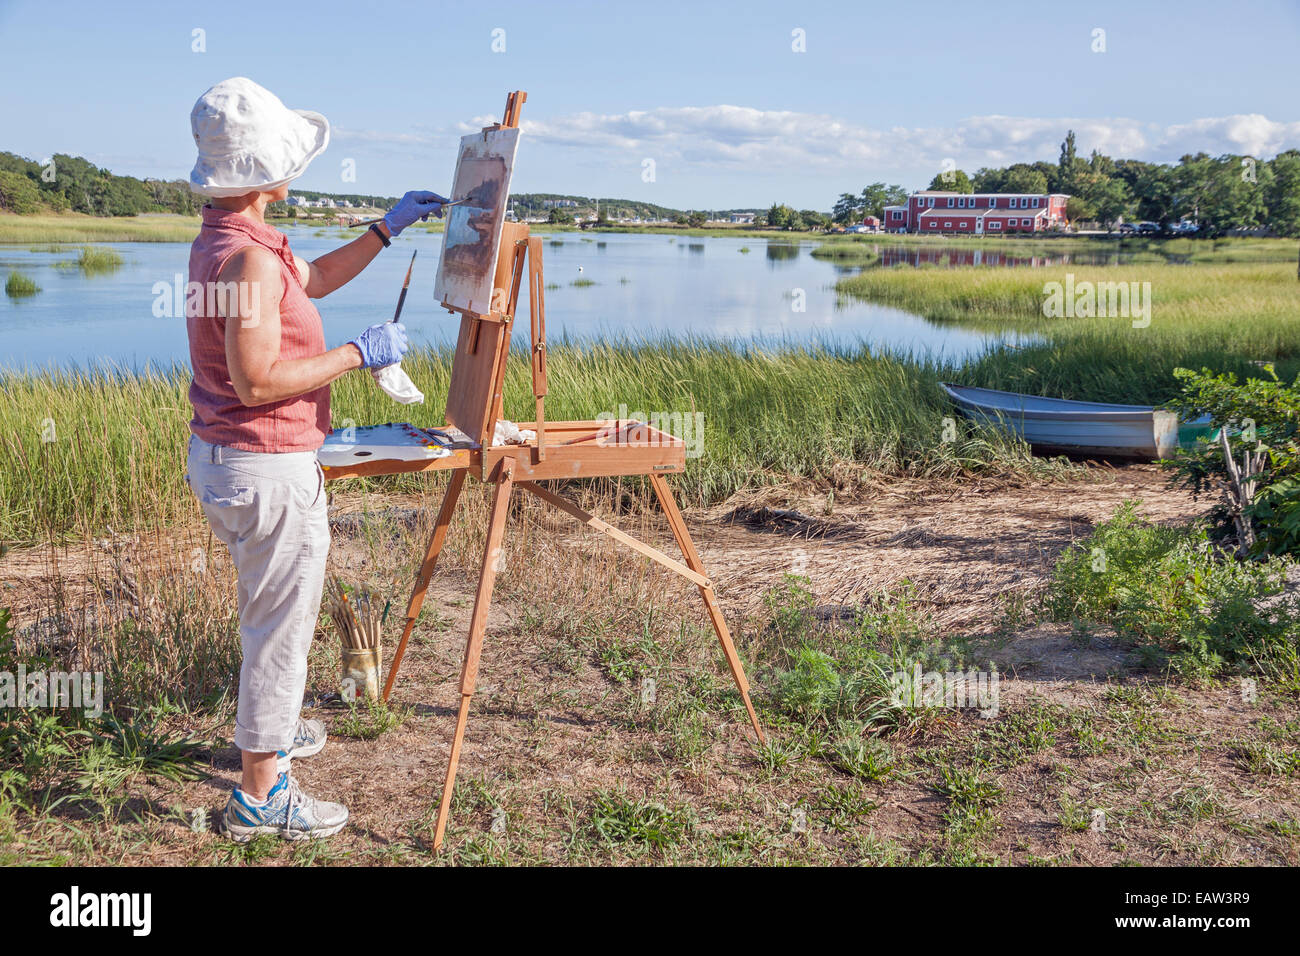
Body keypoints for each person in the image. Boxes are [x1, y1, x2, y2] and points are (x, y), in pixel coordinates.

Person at [183, 77, 444, 841]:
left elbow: (318, 278)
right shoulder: (251, 263)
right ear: (267, 169)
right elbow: (257, 379)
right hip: (263, 467)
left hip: (227, 459)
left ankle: (269, 736)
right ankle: (262, 797)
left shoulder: (228, 242)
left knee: (268, 619)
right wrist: (356, 354)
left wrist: (387, 227)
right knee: (279, 630)